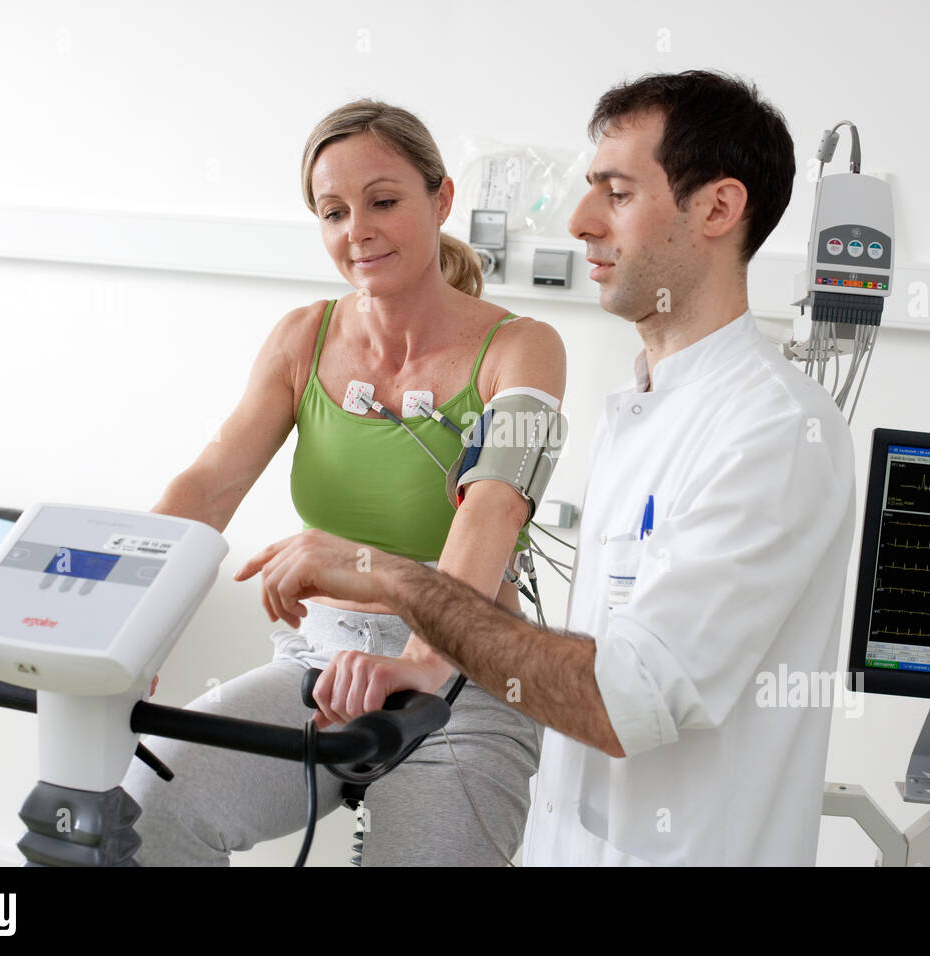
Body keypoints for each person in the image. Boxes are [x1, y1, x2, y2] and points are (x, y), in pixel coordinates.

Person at [237, 70, 857, 866]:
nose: (580, 220)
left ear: (717, 208)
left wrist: (393, 581)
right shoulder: (644, 408)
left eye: (618, 193)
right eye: (332, 211)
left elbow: (622, 699)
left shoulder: (775, 430)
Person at [121, 99, 566, 866]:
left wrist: (425, 660)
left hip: (470, 675)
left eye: (384, 201)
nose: (356, 229)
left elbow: (493, 505)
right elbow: (209, 484)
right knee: (149, 809)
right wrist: (125, 622)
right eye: (333, 211)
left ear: (442, 198)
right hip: (320, 665)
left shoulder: (523, 349)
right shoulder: (304, 337)